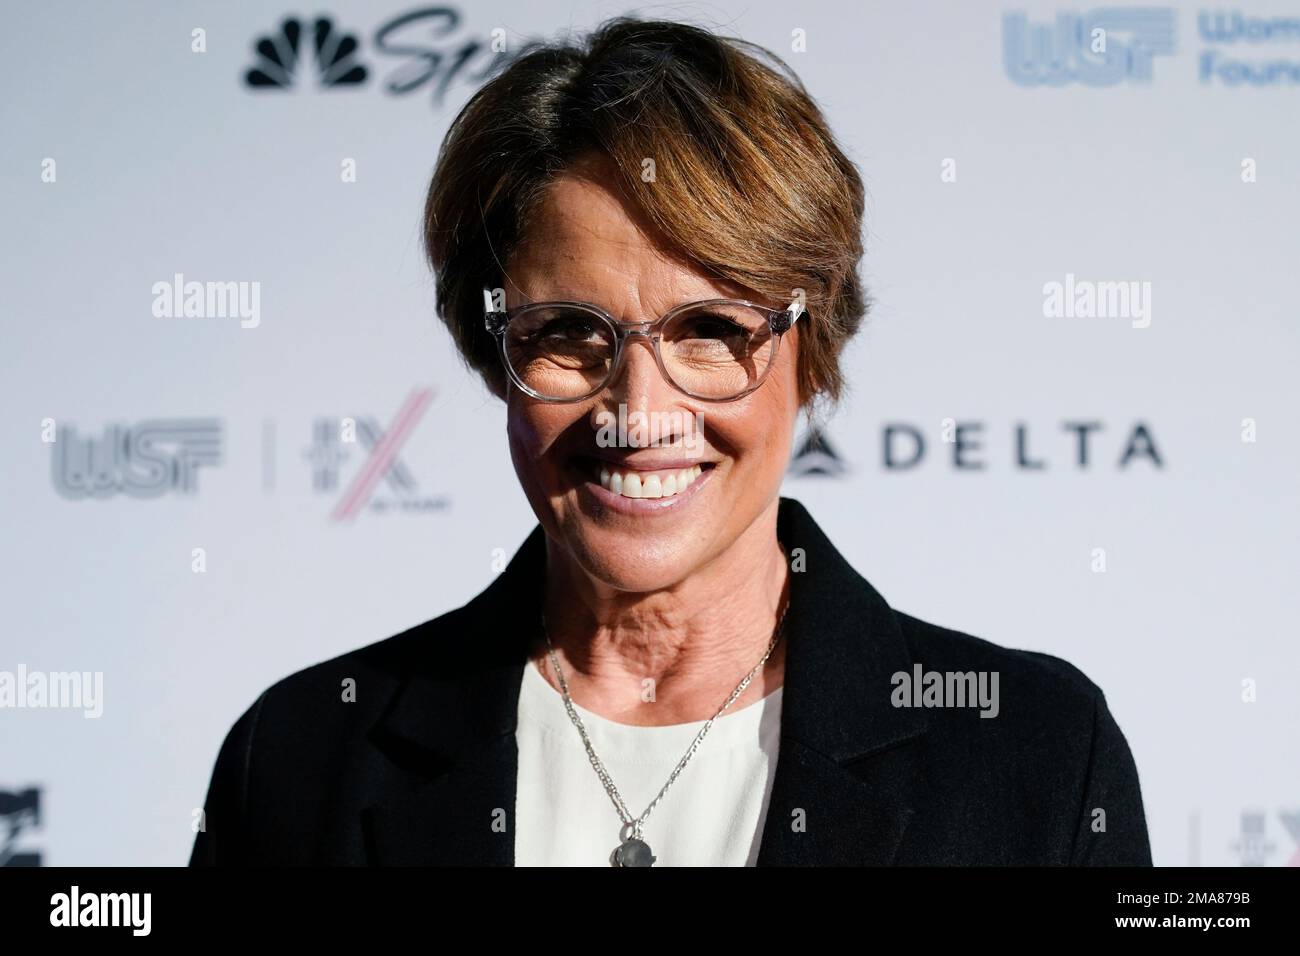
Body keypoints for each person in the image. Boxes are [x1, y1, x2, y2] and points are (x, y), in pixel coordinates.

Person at [191, 16, 1151, 866]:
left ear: (810, 353)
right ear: (494, 356)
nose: (639, 411)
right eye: (568, 333)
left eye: (711, 332)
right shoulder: (303, 756)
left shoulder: (1033, 754)